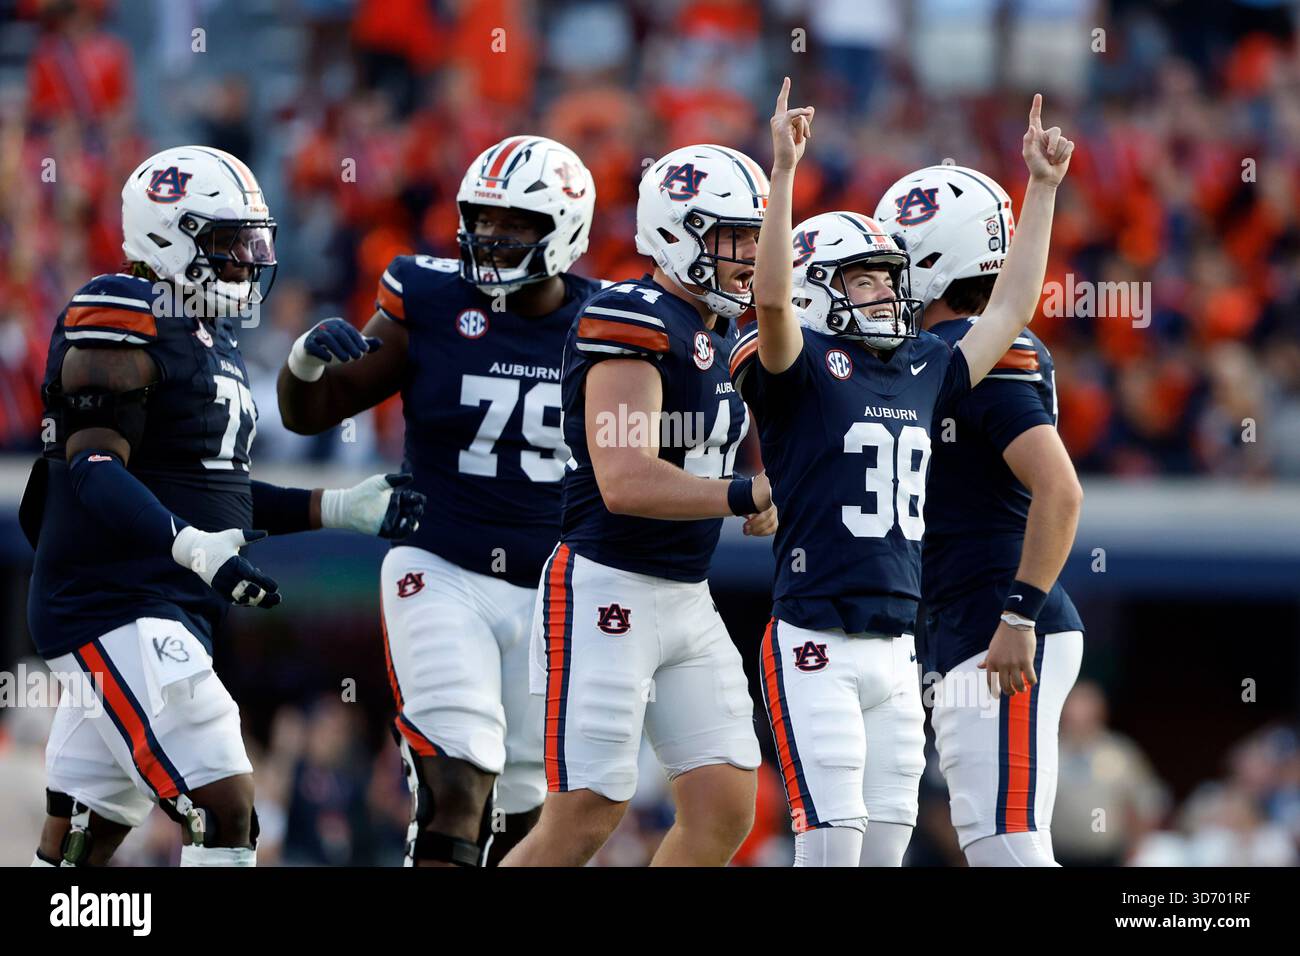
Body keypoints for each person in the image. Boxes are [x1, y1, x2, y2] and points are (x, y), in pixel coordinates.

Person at [26, 145, 424, 867]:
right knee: (225, 805)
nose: (246, 260)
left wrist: (332, 509)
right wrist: (185, 543)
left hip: (163, 601)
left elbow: (220, 494)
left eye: (251, 241)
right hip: (113, 600)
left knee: (81, 840)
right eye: (225, 243)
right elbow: (90, 467)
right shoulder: (121, 307)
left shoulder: (210, 337)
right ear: (165, 235)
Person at [732, 80, 1073, 866]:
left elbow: (1011, 306)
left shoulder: (922, 364)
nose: (889, 290)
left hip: (896, 647)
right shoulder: (803, 365)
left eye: (889, 275)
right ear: (825, 289)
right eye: (865, 278)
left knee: (886, 844)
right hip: (814, 634)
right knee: (833, 840)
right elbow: (774, 301)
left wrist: (1042, 190)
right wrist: (783, 172)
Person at [277, 136, 601, 866]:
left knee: (528, 807)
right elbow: (314, 410)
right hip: (442, 565)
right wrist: (303, 364)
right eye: (482, 218)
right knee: (456, 780)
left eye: (515, 223)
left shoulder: (608, 325)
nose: (491, 236)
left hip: (556, 589)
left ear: (566, 229)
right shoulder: (429, 295)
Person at [502, 143, 777, 867]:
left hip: (686, 593)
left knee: (723, 807)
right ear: (677, 231)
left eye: (755, 236)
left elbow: (701, 449)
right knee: (585, 815)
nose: (749, 254)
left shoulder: (718, 333)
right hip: (607, 584)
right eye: (734, 237)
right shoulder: (631, 313)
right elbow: (624, 478)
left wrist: (758, 490)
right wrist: (742, 492)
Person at [872, 163, 1086, 867]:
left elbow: (1061, 490)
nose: (882, 282)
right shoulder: (950, 351)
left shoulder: (982, 354)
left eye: (891, 263)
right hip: (965, 621)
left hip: (1000, 622)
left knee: (1007, 845)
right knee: (994, 840)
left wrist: (1018, 615)